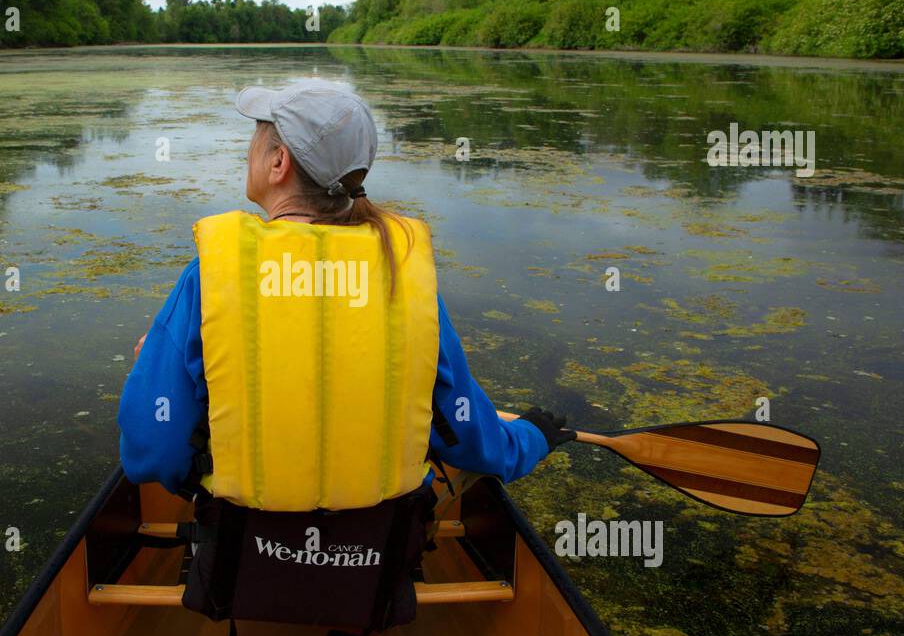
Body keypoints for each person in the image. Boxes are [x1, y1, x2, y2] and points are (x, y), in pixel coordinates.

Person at [117, 78, 573, 509]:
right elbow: (466, 431)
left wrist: (160, 378)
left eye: (256, 138)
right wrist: (531, 438)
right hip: (378, 558)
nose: (248, 152)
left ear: (279, 163)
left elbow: (152, 451)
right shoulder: (404, 277)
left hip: (243, 556)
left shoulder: (209, 278)